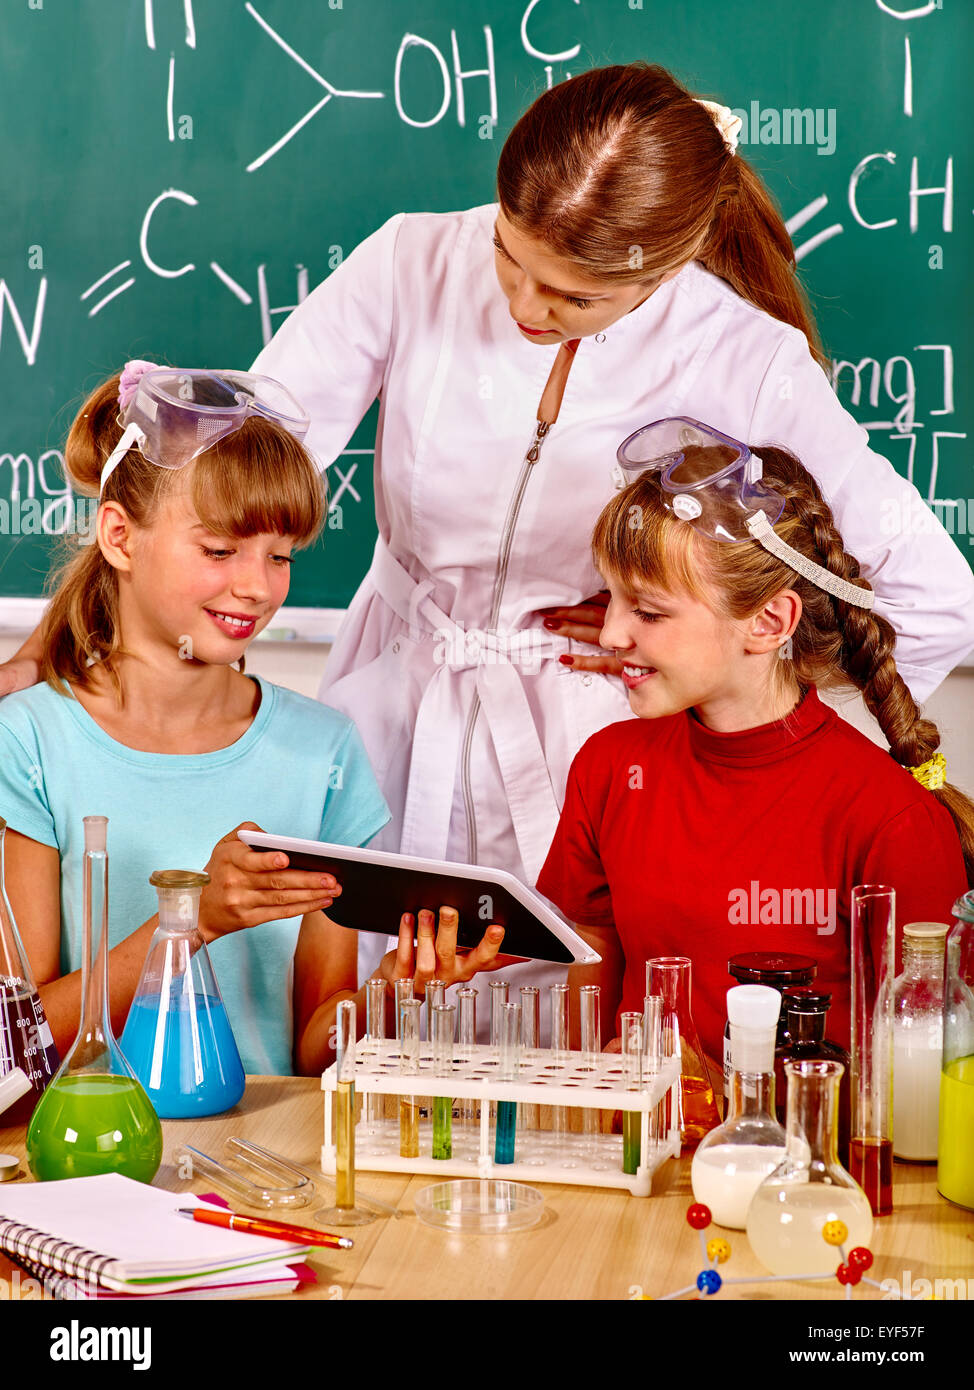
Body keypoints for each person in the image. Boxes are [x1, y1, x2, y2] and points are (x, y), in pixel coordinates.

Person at [4, 65, 973, 1026]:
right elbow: (217, 476)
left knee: (559, 1058)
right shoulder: (408, 261)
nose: (522, 305)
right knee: (364, 1033)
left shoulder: (744, 359)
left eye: (572, 297)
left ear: (658, 270)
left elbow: (933, 598)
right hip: (389, 734)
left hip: (591, 770)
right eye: (509, 258)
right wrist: (59, 647)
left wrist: (732, 707)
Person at [0, 365, 506, 1079]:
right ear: (119, 537)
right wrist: (193, 921)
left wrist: (389, 1000)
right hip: (89, 1153)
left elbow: (308, 1045)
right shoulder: (26, 744)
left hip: (265, 1161)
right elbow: (15, 1048)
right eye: (219, 551)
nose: (257, 587)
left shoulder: (321, 751)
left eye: (280, 557)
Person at [536, 419, 971, 1069]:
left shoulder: (892, 821)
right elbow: (591, 947)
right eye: (612, 600)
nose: (613, 635)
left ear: (769, 622)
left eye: (648, 611)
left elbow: (920, 1085)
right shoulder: (608, 767)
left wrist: (716, 1093)